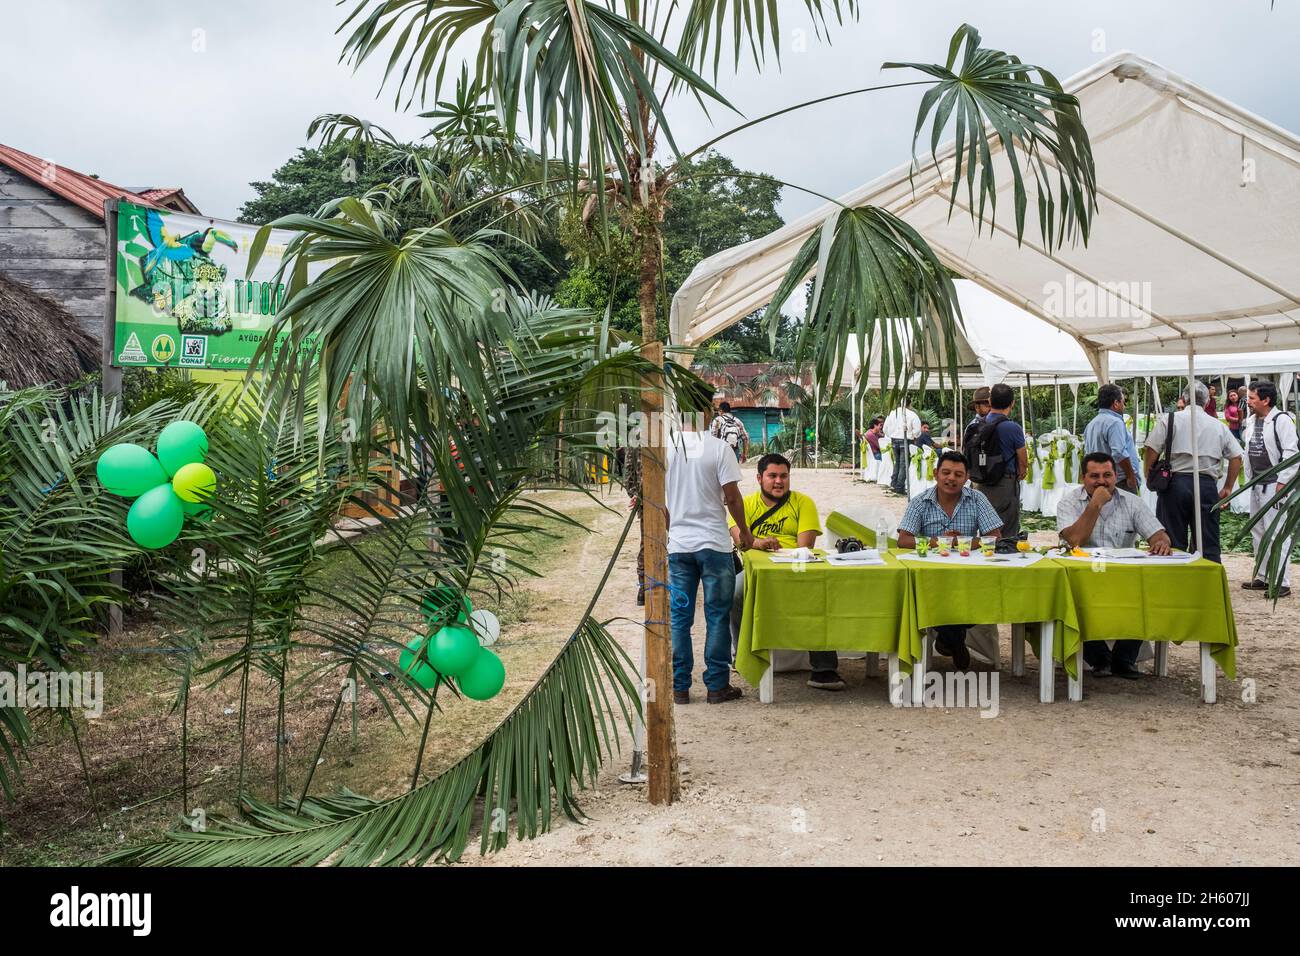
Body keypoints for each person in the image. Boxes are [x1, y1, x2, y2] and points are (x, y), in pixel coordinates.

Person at [726, 454, 840, 689]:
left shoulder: (803, 502)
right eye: (772, 476)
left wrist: (767, 546)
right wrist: (759, 543)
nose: (779, 481)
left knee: (820, 594)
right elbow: (741, 542)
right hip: (755, 572)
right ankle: (741, 654)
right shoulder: (744, 504)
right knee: (733, 593)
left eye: (784, 476)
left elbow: (805, 546)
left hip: (796, 570)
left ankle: (824, 667)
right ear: (759, 478)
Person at [1057, 452, 1174, 678]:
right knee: (1068, 596)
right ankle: (1100, 658)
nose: (1102, 481)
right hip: (1083, 578)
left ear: (1115, 475)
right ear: (1084, 478)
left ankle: (1124, 659)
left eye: (1107, 475)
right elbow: (1073, 540)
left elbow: (1159, 535)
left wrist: (1161, 543)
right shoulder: (1069, 503)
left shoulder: (1132, 502)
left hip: (1123, 579)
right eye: (1094, 476)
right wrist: (1095, 504)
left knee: (1148, 591)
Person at [666, 415, 754, 705]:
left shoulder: (664, 448)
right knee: (717, 615)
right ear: (705, 414)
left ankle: (679, 686)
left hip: (679, 547)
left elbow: (658, 502)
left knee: (680, 619)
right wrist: (745, 532)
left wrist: (674, 529)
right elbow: (732, 498)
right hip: (715, 546)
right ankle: (717, 686)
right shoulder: (718, 448)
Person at [897, 451, 1004, 669]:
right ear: (936, 474)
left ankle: (948, 639)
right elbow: (904, 540)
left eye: (958, 474)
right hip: (931, 575)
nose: (951, 479)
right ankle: (955, 642)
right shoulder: (920, 502)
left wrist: (960, 543)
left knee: (986, 598)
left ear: (966, 478)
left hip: (970, 572)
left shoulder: (977, 498)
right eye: (946, 473)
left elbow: (995, 537)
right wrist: (938, 542)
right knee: (933, 598)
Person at [1142, 381, 1242, 563]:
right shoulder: (1218, 425)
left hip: (1175, 484)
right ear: (1207, 401)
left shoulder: (1169, 419)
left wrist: (1149, 475)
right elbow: (1236, 457)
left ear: (1184, 399)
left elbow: (1151, 449)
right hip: (1207, 486)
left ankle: (1173, 583)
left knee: (1171, 541)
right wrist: (1228, 487)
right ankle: (1207, 585)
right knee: (1208, 542)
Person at [1241, 380, 1298, 596]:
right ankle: (1264, 576)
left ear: (1266, 400)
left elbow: (1291, 453)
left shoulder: (1282, 420)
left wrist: (1283, 482)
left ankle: (1281, 580)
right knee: (1259, 531)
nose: (1249, 401)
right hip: (1257, 484)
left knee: (1276, 532)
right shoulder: (1252, 420)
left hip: (1275, 485)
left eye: (1252, 398)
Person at [968, 383, 1027, 539]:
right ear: (1012, 403)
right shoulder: (1012, 428)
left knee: (984, 527)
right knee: (1005, 529)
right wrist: (1020, 474)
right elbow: (1023, 462)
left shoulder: (975, 426)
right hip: (1004, 484)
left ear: (990, 401)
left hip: (978, 483)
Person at [1083, 383, 1141, 491]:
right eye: (1123, 402)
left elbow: (1087, 455)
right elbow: (1119, 453)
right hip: (1118, 483)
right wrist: (1131, 476)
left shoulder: (1091, 424)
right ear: (1116, 403)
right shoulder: (1115, 423)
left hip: (1101, 482)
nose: (1124, 406)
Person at [883, 400, 922, 494]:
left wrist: (891, 435)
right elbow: (917, 431)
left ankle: (894, 483)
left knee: (897, 462)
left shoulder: (892, 413)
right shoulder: (912, 415)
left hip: (894, 440)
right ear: (910, 403)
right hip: (906, 440)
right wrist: (913, 435)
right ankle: (900, 487)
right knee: (903, 464)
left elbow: (885, 429)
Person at [961, 386, 992, 451]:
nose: (990, 409)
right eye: (987, 406)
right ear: (976, 407)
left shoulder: (996, 422)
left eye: (992, 406)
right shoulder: (973, 427)